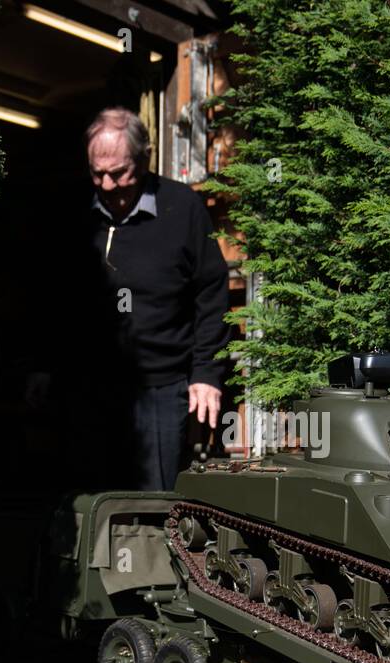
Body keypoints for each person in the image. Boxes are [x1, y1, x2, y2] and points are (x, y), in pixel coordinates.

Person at [74, 105, 232, 491]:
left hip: (162, 387)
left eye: (118, 173)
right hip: (87, 386)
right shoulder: (75, 211)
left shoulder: (183, 208)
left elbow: (211, 293)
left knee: (151, 504)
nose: (108, 185)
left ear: (144, 160)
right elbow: (53, 295)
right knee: (87, 503)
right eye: (98, 174)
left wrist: (206, 373)